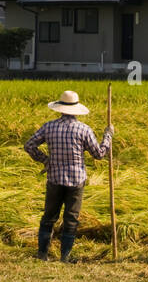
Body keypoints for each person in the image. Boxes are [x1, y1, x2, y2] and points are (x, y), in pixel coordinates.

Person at [23, 89, 113, 263]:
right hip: (76, 180)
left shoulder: (49, 126)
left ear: (60, 108)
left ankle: (42, 254)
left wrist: (46, 161)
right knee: (71, 218)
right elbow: (99, 154)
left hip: (54, 178)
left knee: (49, 216)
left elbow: (29, 145)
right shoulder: (83, 129)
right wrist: (108, 136)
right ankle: (65, 256)